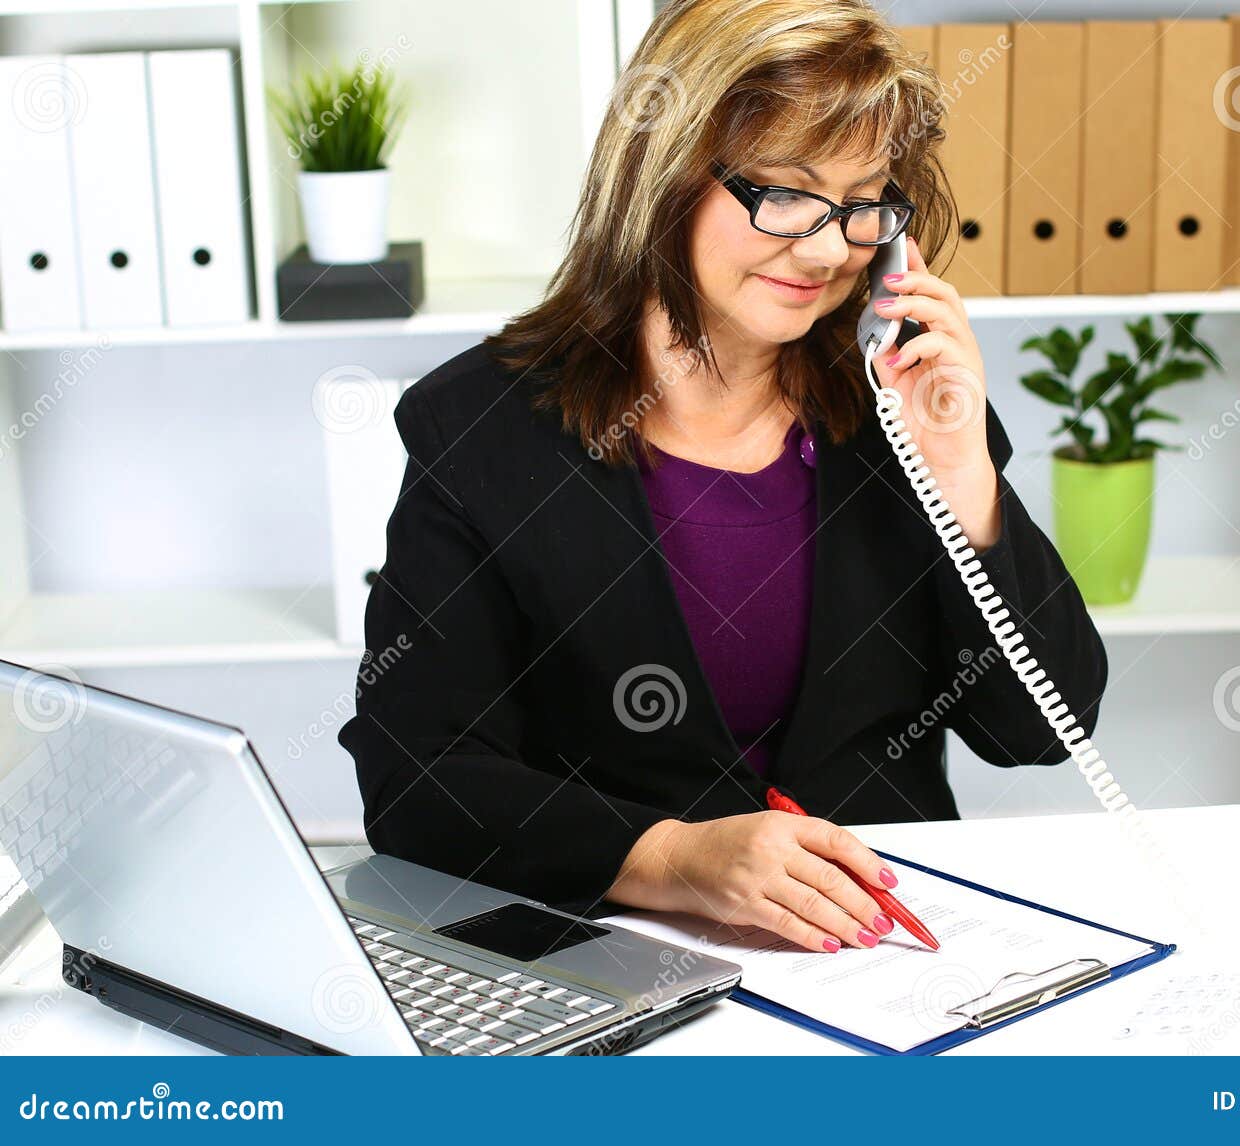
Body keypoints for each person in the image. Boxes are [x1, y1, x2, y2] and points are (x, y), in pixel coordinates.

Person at [338, 0, 1107, 956]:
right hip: (620, 964)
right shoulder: (484, 428)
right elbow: (416, 777)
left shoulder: (898, 409)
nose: (831, 249)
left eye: (865, 201)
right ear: (662, 179)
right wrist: (669, 857)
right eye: (785, 194)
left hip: (884, 961)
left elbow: (1042, 726)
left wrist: (960, 476)